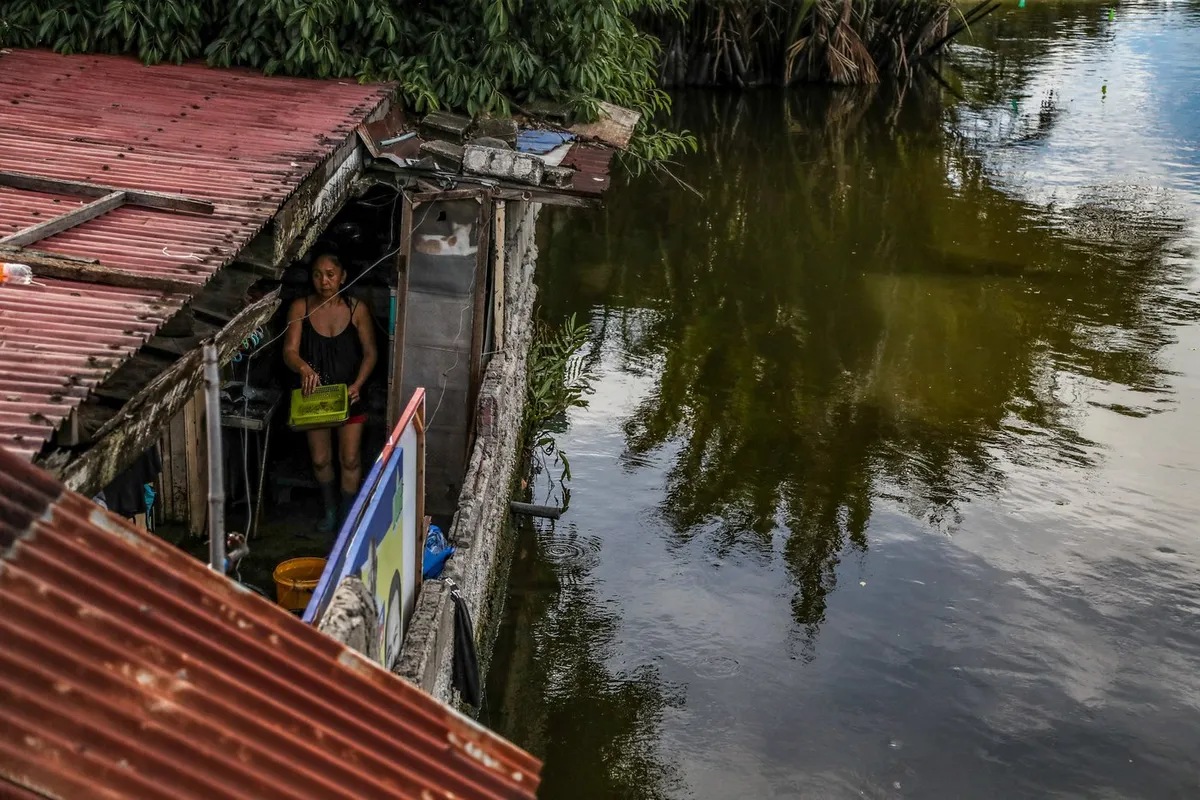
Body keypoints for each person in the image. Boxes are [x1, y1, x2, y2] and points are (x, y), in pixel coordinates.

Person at [283, 252, 377, 533]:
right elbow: (289, 351)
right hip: (316, 398)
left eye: (330, 274)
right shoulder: (301, 308)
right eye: (317, 275)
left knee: (350, 458)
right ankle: (331, 512)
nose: (324, 281)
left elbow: (371, 353)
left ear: (343, 276)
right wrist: (304, 369)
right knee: (320, 459)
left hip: (350, 397)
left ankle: (348, 519)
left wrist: (358, 384)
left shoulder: (356, 309)